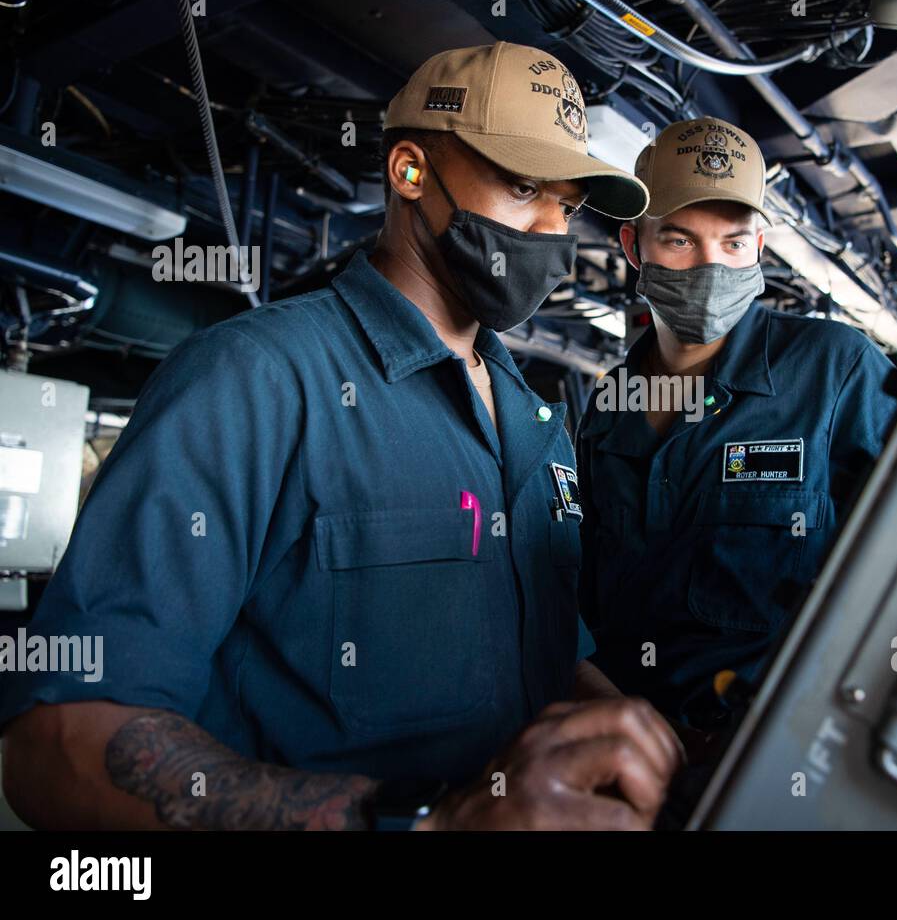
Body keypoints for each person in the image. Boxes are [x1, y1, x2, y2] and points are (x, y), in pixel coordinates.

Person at [0, 42, 682, 831]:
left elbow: (545, 654)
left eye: (567, 204)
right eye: (523, 186)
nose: (552, 230)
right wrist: (431, 823)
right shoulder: (254, 378)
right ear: (409, 171)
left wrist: (654, 746)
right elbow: (60, 744)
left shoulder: (537, 424)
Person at [577, 116, 897, 739]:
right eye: (679, 241)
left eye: (733, 242)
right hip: (625, 751)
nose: (710, 265)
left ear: (757, 248)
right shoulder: (609, 408)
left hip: (771, 748)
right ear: (632, 245)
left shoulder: (836, 369)